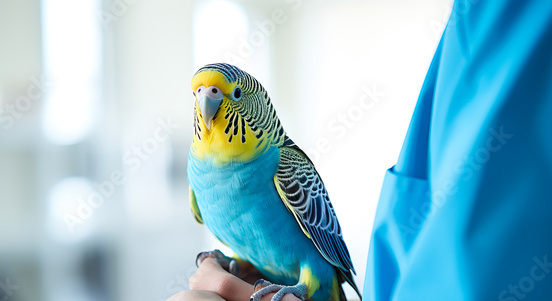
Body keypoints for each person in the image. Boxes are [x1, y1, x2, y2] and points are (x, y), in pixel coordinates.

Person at [169, 0, 552, 300]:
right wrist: (237, 268)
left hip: (316, 279)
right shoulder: (197, 179)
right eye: (200, 93)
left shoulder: (284, 166)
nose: (209, 100)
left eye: (231, 94)